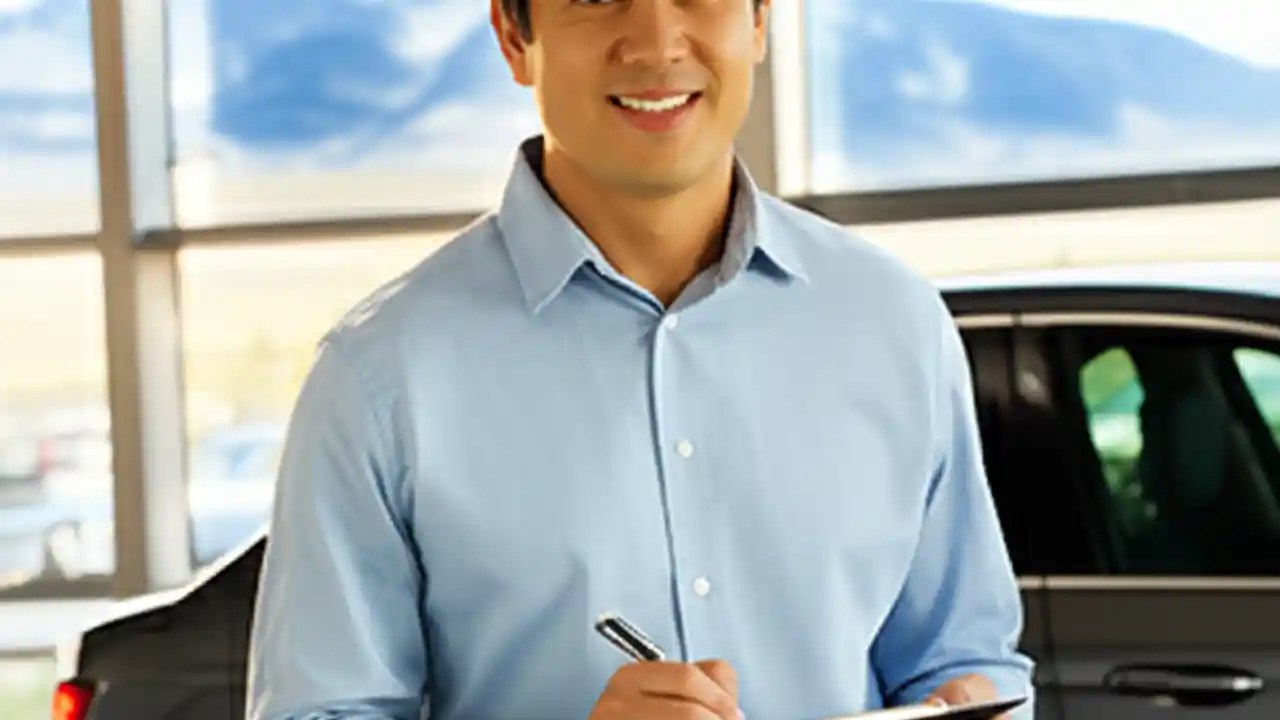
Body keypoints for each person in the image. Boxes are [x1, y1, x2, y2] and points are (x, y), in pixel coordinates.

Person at [245, 0, 1036, 718]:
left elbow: (967, 662)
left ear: (760, 22)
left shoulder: (893, 325)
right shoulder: (381, 377)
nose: (658, 42)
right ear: (515, 37)